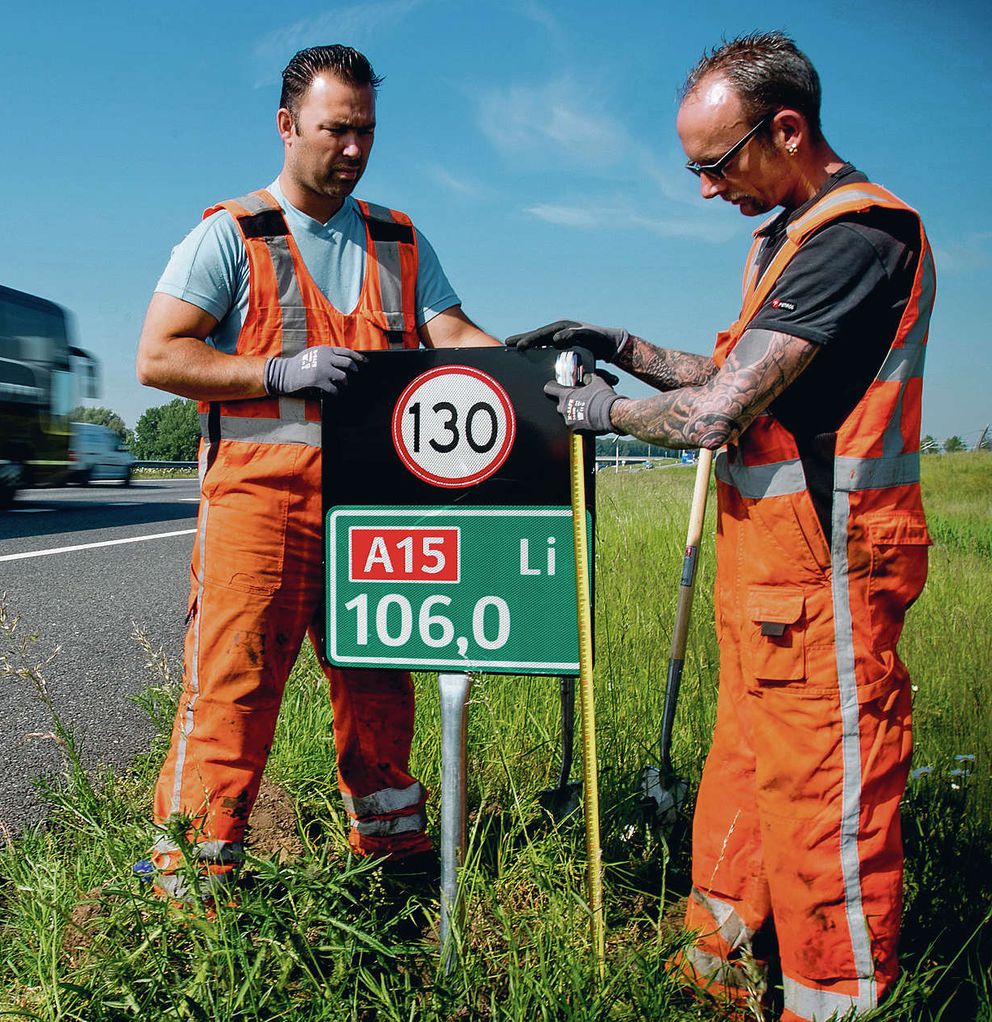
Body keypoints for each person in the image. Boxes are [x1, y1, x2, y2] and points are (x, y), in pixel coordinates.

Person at [508, 31, 934, 1021]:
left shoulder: (856, 238)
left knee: (824, 805)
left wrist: (601, 413)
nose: (703, 189)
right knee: (743, 778)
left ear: (784, 129)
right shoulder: (788, 238)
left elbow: (714, 414)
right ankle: (718, 977)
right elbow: (720, 374)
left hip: (827, 575)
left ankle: (833, 998)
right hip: (768, 577)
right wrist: (610, 340)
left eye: (713, 164)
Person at [136, 44, 498, 901]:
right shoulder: (229, 236)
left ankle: (395, 863)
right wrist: (275, 371)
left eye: (365, 131)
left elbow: (453, 338)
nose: (353, 149)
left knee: (380, 689)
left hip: (376, 506)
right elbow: (158, 354)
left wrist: (541, 367)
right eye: (336, 129)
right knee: (232, 689)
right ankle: (191, 883)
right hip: (260, 504)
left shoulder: (400, 240)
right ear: (287, 125)